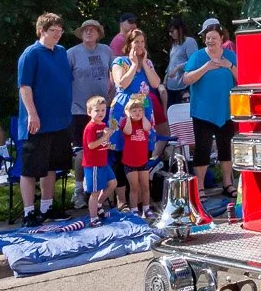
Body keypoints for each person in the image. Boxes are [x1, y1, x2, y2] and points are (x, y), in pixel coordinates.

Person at [16, 14, 75, 226]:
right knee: (31, 168)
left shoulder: (61, 53)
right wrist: (32, 113)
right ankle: (29, 212)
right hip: (38, 122)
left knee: (52, 166)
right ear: (42, 31)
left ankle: (47, 207)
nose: (57, 35)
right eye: (53, 31)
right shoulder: (30, 54)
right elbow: (25, 86)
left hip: (60, 121)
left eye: (60, 31)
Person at [169, 24, 239, 198]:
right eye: (208, 38)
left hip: (225, 109)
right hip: (202, 110)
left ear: (222, 39)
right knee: (202, 148)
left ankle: (227, 183)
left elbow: (242, 78)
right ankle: (199, 186)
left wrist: (228, 65)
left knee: (226, 148)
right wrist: (206, 67)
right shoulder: (198, 56)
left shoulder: (231, 56)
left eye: (214, 37)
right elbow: (186, 79)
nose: (210, 41)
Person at [106, 29, 166, 209]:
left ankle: (140, 198)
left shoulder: (147, 62)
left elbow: (156, 84)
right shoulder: (120, 61)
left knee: (142, 149)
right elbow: (121, 83)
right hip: (123, 109)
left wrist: (144, 65)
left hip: (144, 110)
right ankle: (122, 199)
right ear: (129, 44)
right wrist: (133, 65)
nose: (139, 45)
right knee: (120, 153)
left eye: (142, 41)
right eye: (136, 42)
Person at [66, 18, 115, 157]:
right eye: (86, 30)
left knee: (101, 146)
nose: (89, 32)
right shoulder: (71, 53)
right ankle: (80, 179)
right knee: (80, 149)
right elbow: (64, 78)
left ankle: (99, 176)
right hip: (79, 109)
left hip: (101, 109)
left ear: (98, 34)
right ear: (81, 34)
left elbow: (116, 72)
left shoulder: (106, 50)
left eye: (93, 29)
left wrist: (113, 93)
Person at [117, 93, 158, 214]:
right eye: (134, 111)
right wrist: (128, 117)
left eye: (140, 110)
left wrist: (143, 115)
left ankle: (146, 207)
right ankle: (134, 209)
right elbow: (128, 132)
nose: (137, 113)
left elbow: (147, 128)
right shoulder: (125, 122)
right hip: (130, 161)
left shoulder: (143, 122)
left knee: (145, 186)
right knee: (134, 187)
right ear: (128, 112)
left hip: (142, 161)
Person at [77, 96, 115, 223]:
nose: (100, 113)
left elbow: (103, 143)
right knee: (95, 191)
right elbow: (91, 145)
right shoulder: (90, 127)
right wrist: (104, 137)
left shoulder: (103, 125)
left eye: (103, 110)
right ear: (89, 112)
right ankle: (93, 218)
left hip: (103, 161)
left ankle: (98, 204)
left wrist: (108, 141)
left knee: (113, 183)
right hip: (93, 164)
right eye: (97, 110)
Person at [164, 18, 198, 99]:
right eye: (169, 32)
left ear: (179, 29)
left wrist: (178, 67)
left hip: (184, 87)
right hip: (171, 87)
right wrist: (165, 79)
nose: (170, 34)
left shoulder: (189, 42)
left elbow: (194, 61)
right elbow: (171, 63)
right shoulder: (174, 44)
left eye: (172, 31)